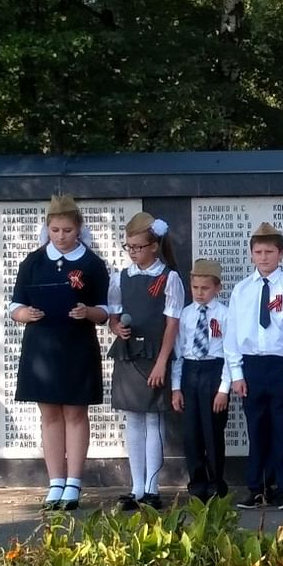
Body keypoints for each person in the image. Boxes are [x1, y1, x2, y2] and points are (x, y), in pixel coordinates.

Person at [9, 194, 111, 510]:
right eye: (55, 230)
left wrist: (89, 312)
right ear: (47, 229)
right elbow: (15, 304)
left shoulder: (92, 264)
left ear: (78, 229)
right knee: (50, 414)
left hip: (77, 346)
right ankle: (55, 481)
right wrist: (23, 314)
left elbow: (106, 309)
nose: (61, 236)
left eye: (67, 230)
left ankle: (74, 483)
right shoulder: (33, 262)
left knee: (75, 413)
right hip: (42, 347)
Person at [227, 223, 283, 511]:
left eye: (269, 252)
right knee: (257, 426)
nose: (263, 257)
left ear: (281, 254)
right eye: (258, 252)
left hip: (282, 365)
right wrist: (236, 374)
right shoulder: (242, 290)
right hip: (252, 365)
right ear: (251, 254)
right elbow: (232, 335)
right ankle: (257, 486)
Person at [104, 212, 183, 512]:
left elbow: (172, 325)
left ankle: (152, 486)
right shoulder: (121, 277)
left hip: (154, 356)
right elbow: (113, 314)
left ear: (154, 246)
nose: (133, 252)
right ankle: (136, 486)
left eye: (138, 246)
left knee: (153, 417)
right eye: (129, 247)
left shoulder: (169, 278)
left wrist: (163, 361)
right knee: (133, 418)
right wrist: (115, 328)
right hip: (129, 355)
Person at [171, 257, 231, 503]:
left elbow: (230, 353)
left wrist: (223, 389)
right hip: (190, 371)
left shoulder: (225, 314)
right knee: (191, 433)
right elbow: (177, 352)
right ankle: (197, 484)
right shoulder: (185, 315)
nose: (199, 293)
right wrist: (176, 387)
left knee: (212, 432)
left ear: (217, 288)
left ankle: (217, 483)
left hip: (214, 370)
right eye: (195, 287)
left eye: (205, 288)